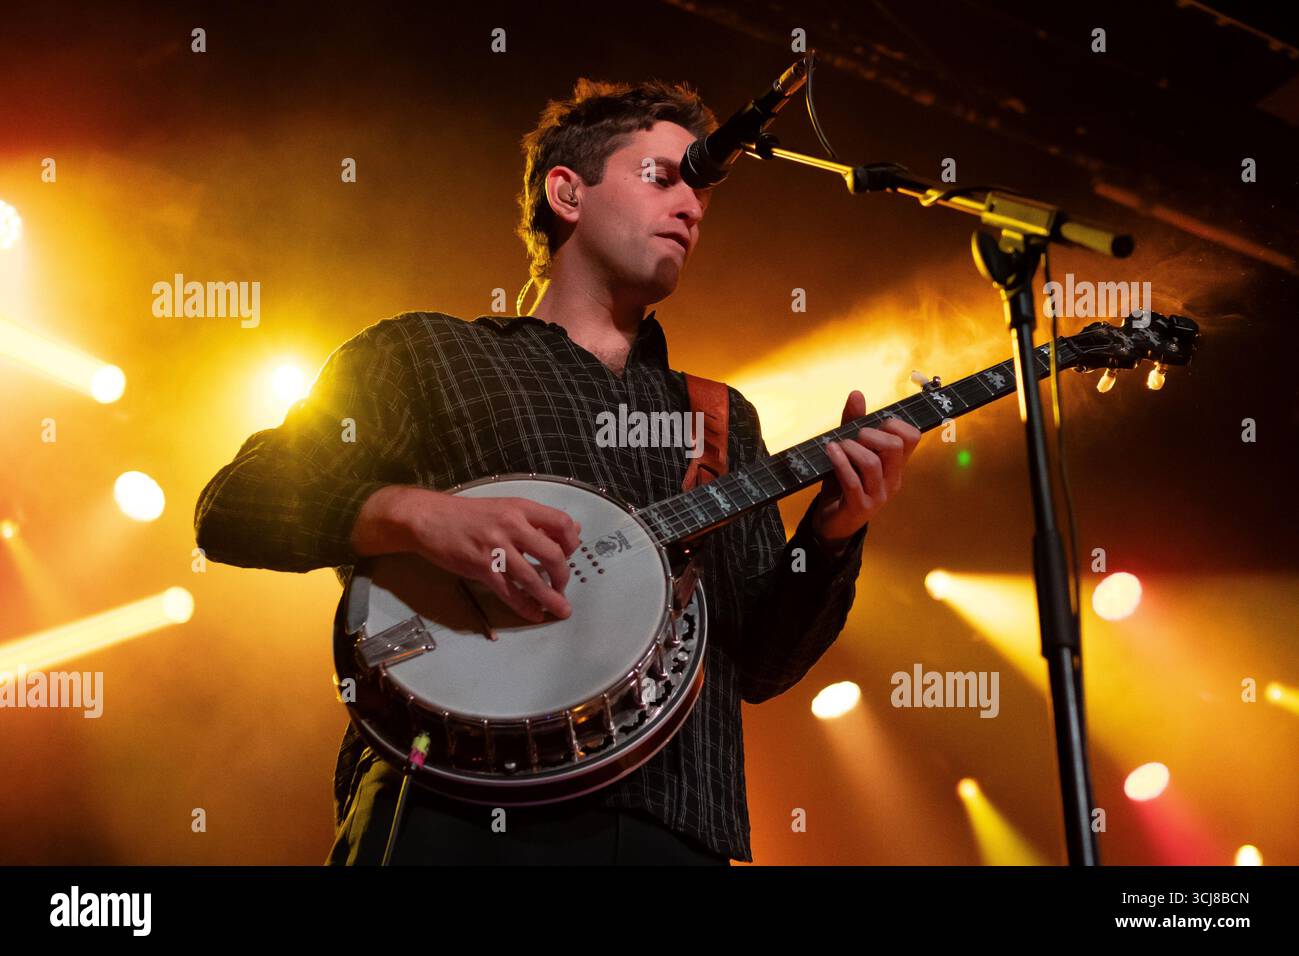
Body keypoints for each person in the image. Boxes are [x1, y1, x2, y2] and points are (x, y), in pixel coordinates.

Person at [193, 77, 921, 866]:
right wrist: (420, 516)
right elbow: (236, 504)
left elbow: (763, 663)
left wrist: (836, 527)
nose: (693, 206)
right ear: (567, 192)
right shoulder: (425, 353)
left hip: (675, 825)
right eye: (662, 177)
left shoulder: (721, 417)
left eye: (701, 190)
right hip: (453, 804)